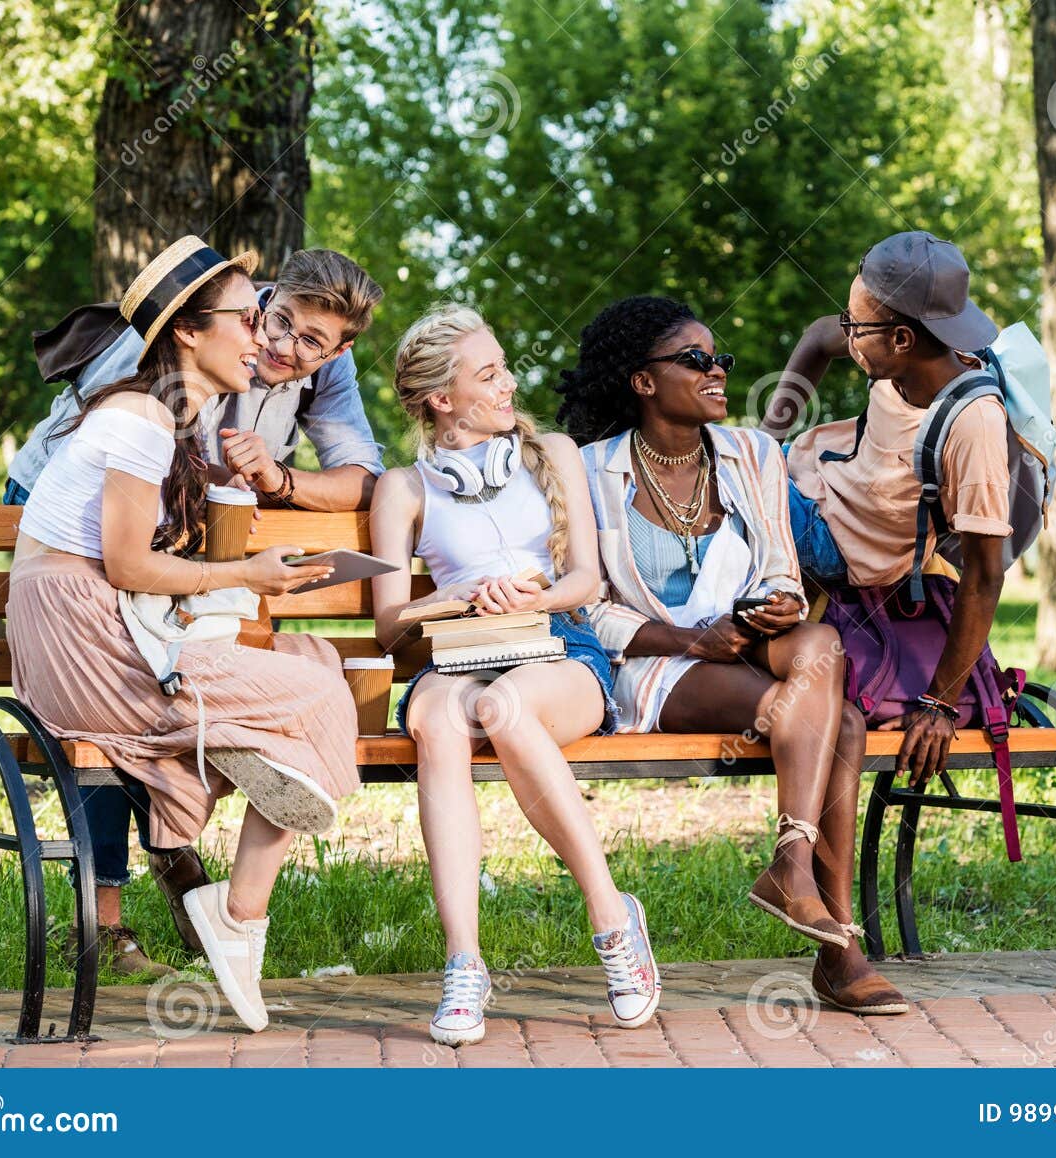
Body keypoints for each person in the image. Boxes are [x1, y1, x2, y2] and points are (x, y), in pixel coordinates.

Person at [5, 236, 361, 1032]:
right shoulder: (140, 418)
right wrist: (246, 576)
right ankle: (238, 918)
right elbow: (129, 565)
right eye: (247, 316)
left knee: (311, 662)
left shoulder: (162, 415)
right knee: (320, 698)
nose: (261, 333)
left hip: (91, 624)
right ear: (190, 333)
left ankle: (230, 900)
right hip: (84, 635)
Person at [557, 295, 909, 1016]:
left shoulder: (754, 453)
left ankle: (792, 861)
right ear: (643, 381)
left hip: (752, 642)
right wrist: (694, 640)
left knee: (817, 638)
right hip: (656, 666)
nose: (716, 370)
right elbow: (587, 607)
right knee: (837, 725)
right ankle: (838, 953)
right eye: (696, 359)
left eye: (721, 359)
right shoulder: (591, 472)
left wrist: (771, 606)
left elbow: (781, 567)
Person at [369, 303, 660, 1047]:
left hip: (556, 645)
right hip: (456, 646)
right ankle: (463, 962)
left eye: (504, 367)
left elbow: (586, 583)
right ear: (442, 399)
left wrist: (531, 592)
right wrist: (454, 596)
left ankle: (611, 916)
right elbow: (388, 623)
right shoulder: (403, 487)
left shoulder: (552, 451)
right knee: (436, 718)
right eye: (489, 373)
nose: (510, 384)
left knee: (502, 710)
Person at [772, 231, 1014, 790]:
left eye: (856, 326)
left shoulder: (972, 423)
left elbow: (985, 574)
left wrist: (941, 703)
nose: (847, 332)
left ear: (902, 338)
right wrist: (765, 444)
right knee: (720, 460)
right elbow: (814, 338)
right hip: (807, 480)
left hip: (837, 543)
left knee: (695, 460)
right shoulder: (900, 349)